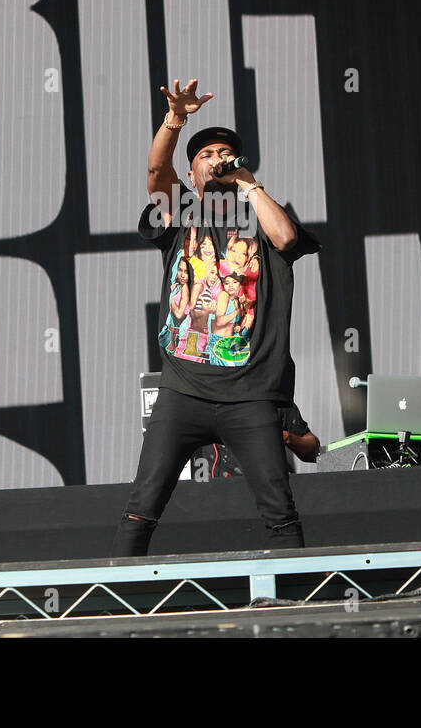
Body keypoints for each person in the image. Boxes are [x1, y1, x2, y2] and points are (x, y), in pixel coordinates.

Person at [113, 78, 320, 556]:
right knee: (141, 506)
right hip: (183, 389)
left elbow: (287, 240)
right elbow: (154, 171)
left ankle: (297, 608)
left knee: (278, 508)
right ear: (192, 172)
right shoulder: (182, 209)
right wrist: (175, 120)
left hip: (248, 394)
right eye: (205, 154)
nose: (216, 158)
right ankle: (115, 607)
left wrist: (249, 183)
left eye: (224, 152)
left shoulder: (261, 215)